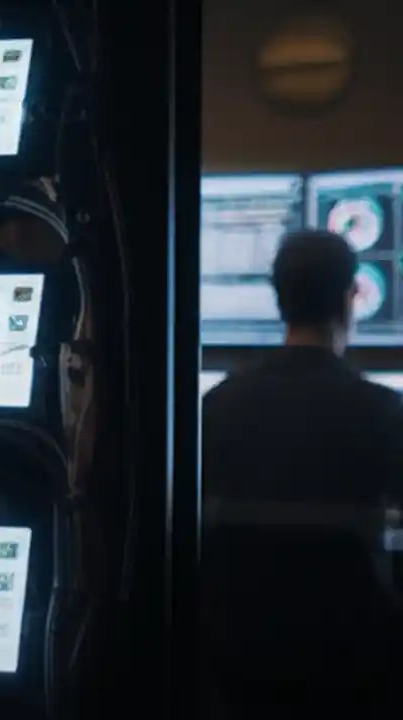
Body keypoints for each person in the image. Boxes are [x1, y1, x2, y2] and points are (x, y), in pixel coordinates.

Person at [201, 229, 403, 712]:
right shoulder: (383, 411)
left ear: (278, 300)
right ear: (350, 298)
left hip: (239, 667)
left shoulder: (218, 405)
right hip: (355, 669)